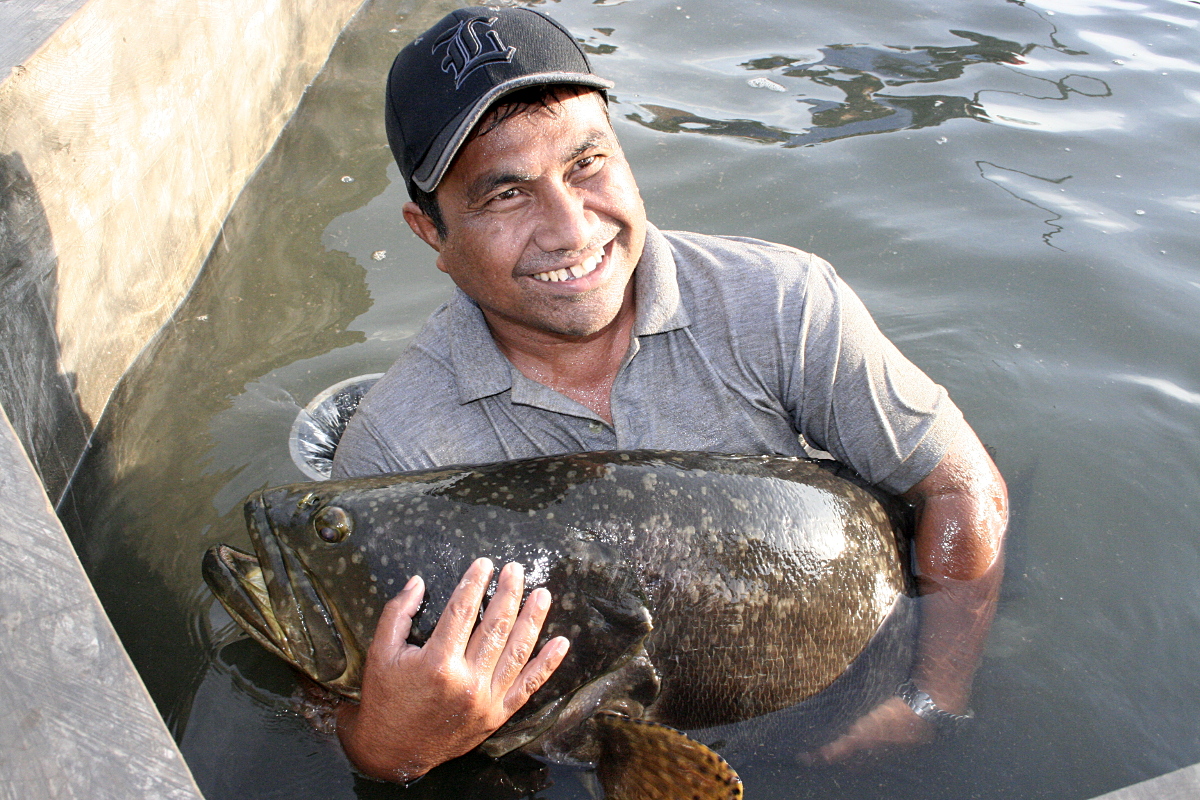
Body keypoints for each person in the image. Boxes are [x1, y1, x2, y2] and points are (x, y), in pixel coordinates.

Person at [330, 6, 1007, 784]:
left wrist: (930, 700)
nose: (569, 226)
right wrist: (387, 746)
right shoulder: (393, 447)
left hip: (847, 714)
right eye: (506, 193)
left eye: (587, 163)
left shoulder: (784, 302)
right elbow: (330, 707)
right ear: (430, 232)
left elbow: (958, 487)